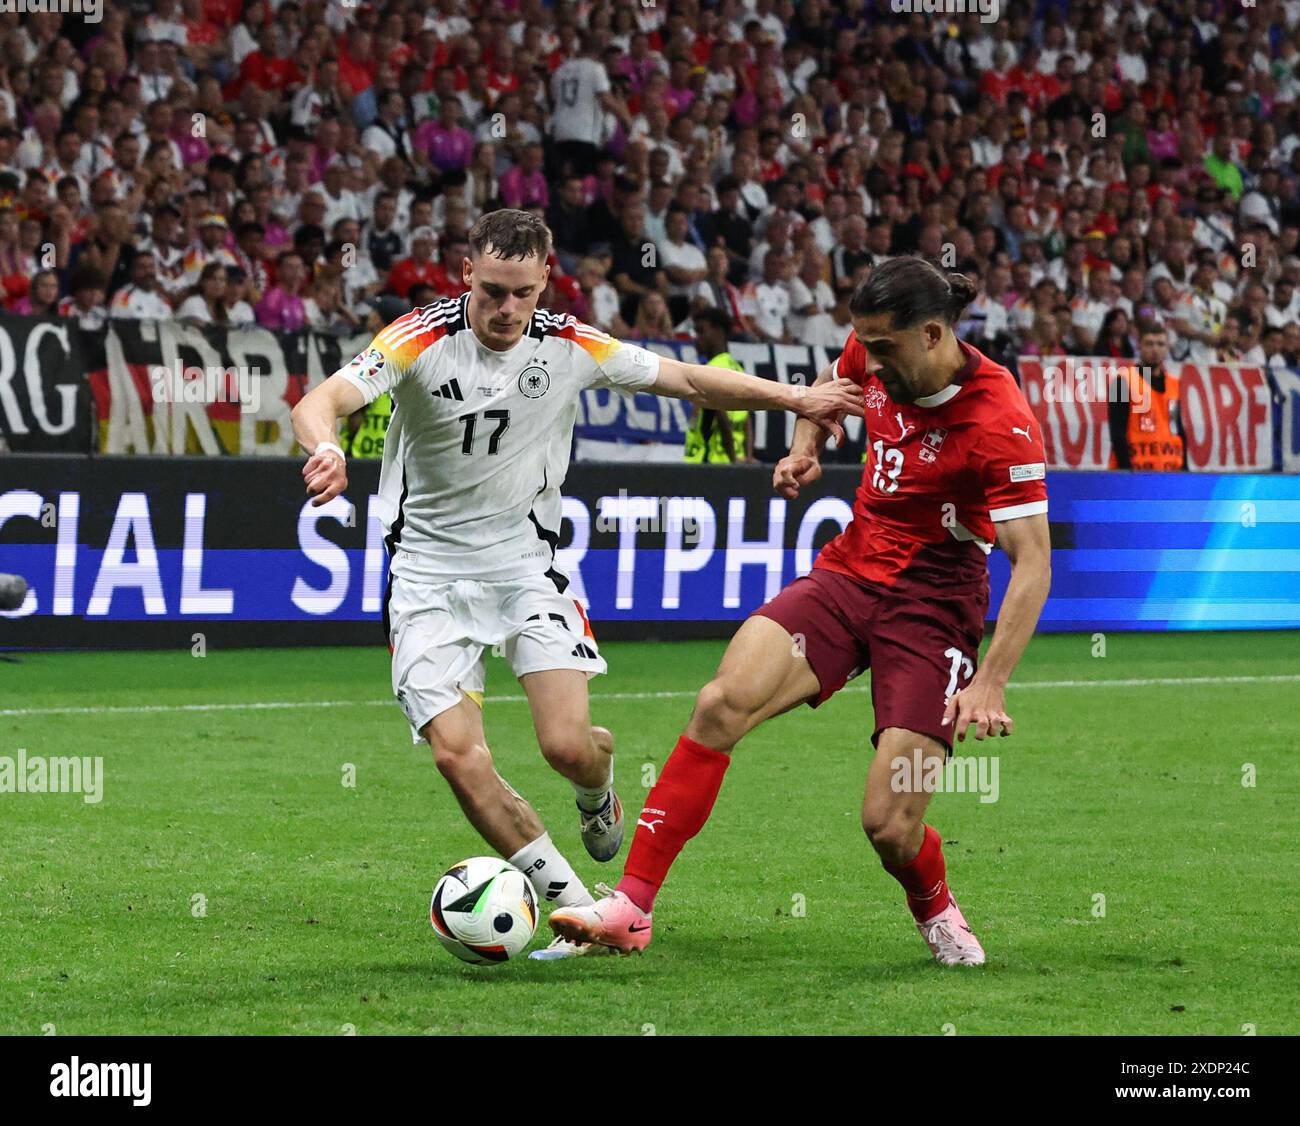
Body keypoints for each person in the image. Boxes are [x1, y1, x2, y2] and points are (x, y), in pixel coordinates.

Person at [290, 209, 862, 959]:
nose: (504, 309)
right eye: (491, 289)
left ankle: (599, 792)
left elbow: (688, 379)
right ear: (466, 273)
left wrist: (795, 400)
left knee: (568, 747)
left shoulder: (570, 343)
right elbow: (319, 400)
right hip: (427, 576)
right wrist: (327, 447)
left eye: (520, 293)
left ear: (545, 281)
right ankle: (578, 907)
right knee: (459, 756)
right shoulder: (418, 337)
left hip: (530, 569)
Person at [550, 257, 1053, 968]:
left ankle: (935, 906)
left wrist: (991, 681)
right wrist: (804, 448)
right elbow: (828, 392)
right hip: (847, 576)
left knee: (888, 825)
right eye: (864, 343)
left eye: (884, 348)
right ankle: (631, 907)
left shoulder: (1001, 421)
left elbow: (1032, 562)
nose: (869, 360)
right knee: (721, 702)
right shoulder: (871, 351)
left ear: (934, 334)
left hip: (933, 609)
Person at [1108, 324, 1187, 472]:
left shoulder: (1174, 384)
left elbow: (1178, 431)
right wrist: (1127, 472)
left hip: (1170, 472)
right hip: (1136, 472)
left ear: (1167, 348)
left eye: (1160, 344)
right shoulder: (1122, 381)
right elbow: (1117, 433)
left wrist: (1184, 470)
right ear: (1140, 346)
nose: (1155, 349)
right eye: (1149, 344)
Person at [683, 308, 753, 463]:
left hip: (711, 461)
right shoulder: (737, 368)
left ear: (719, 332)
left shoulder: (712, 370)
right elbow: (747, 420)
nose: (697, 338)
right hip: (735, 459)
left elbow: (722, 419)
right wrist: (747, 457)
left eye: (701, 331)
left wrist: (733, 461)